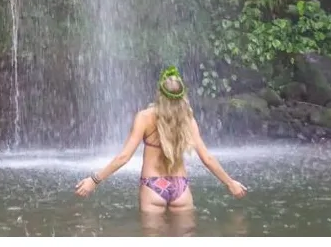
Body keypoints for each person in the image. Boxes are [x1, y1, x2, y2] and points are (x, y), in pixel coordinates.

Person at [74, 66, 248, 213]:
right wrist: (230, 183)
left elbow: (123, 157)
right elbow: (207, 159)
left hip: (153, 186)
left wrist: (94, 180)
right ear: (183, 96)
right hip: (181, 187)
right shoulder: (188, 120)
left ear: (159, 93)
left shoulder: (144, 117)